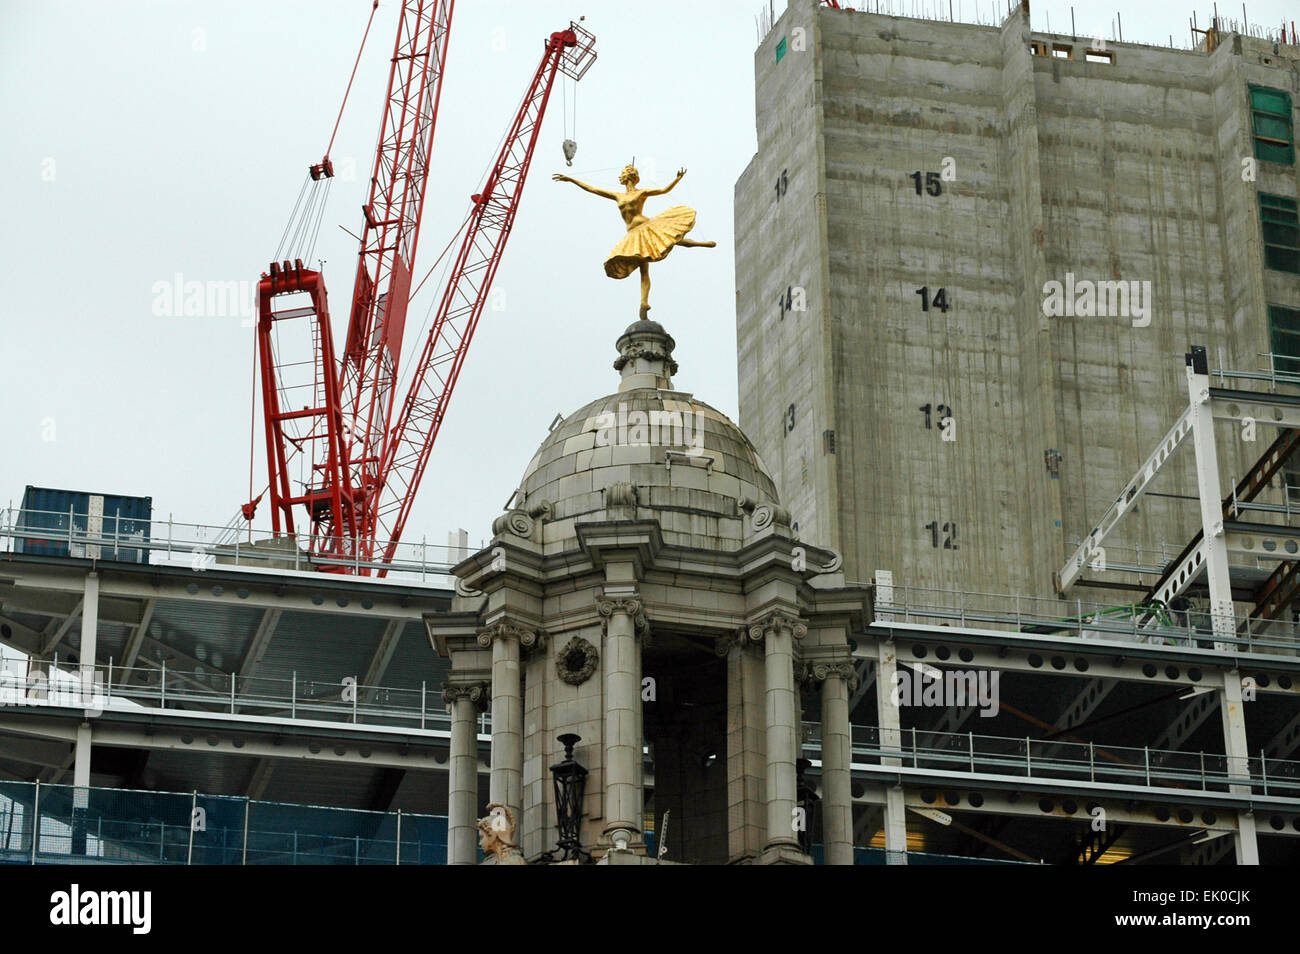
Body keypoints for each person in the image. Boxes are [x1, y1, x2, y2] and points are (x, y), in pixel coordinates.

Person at [553, 164, 715, 317]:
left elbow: (663, 190)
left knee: (672, 238)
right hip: (632, 233)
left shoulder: (641, 192)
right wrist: (572, 180)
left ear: (629, 177)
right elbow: (593, 189)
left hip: (645, 225)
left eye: (623, 175)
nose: (621, 177)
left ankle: (703, 244)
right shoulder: (617, 196)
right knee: (644, 268)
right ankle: (644, 303)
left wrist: (677, 179)